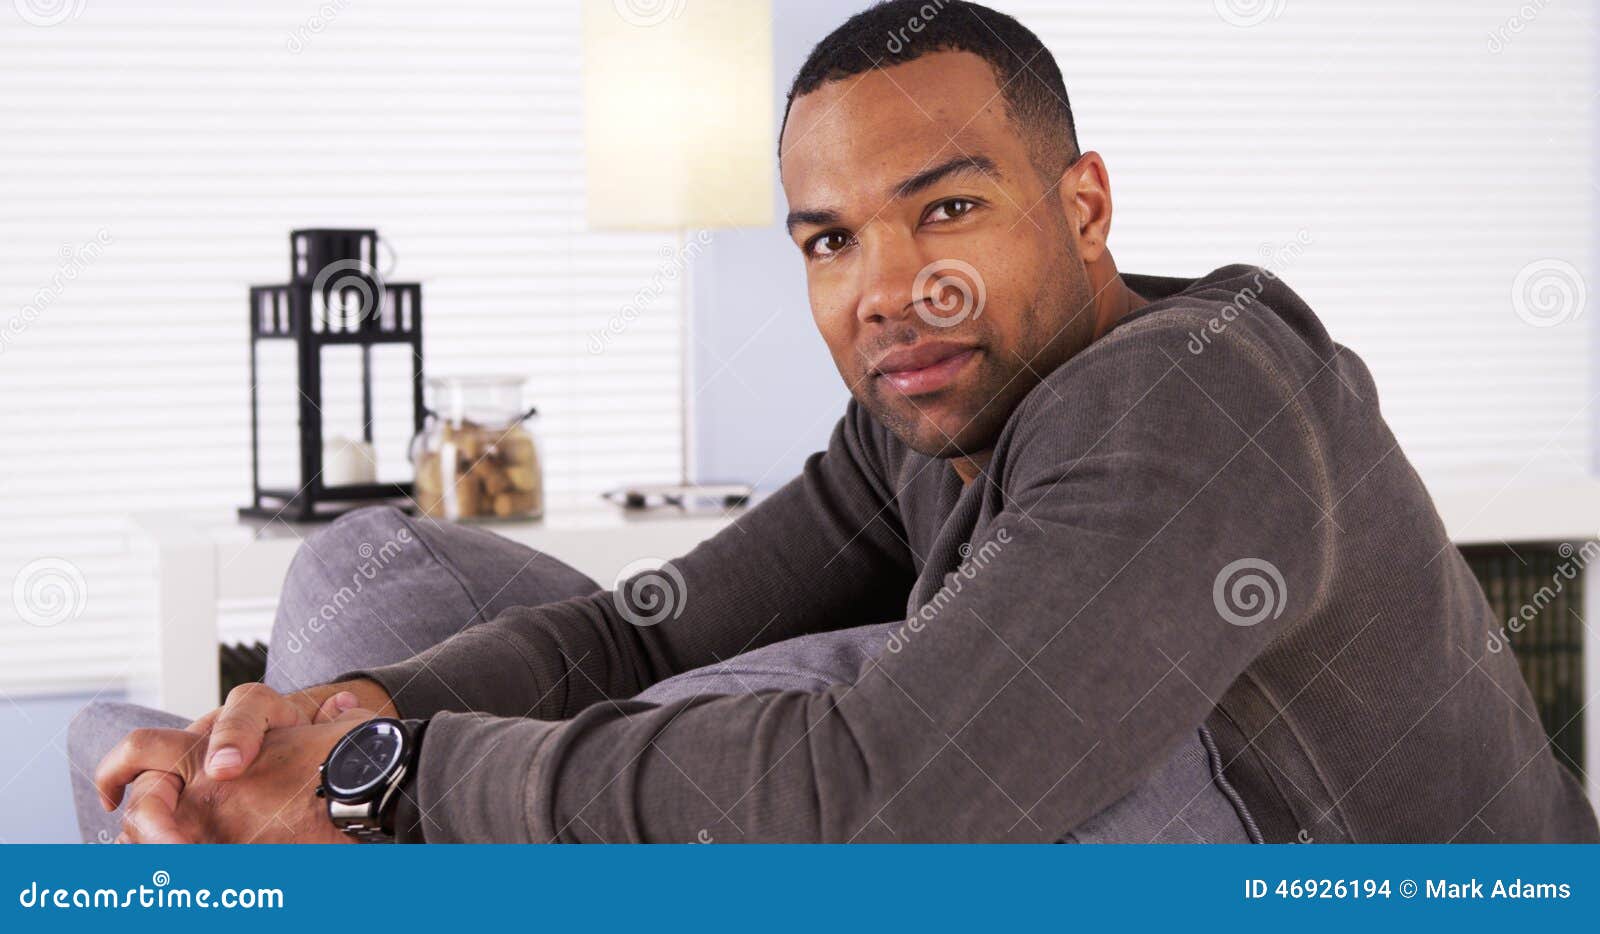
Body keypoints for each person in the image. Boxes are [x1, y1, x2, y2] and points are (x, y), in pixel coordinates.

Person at [76, 0, 1597, 844]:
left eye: (946, 208)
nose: (890, 292)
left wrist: (395, 780)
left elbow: (880, 796)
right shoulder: (933, 407)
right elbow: (646, 634)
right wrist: (335, 716)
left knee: (869, 712)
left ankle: (266, 848)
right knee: (356, 582)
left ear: (1086, 207)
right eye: (829, 240)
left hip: (1336, 878)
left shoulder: (1192, 402)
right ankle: (251, 814)